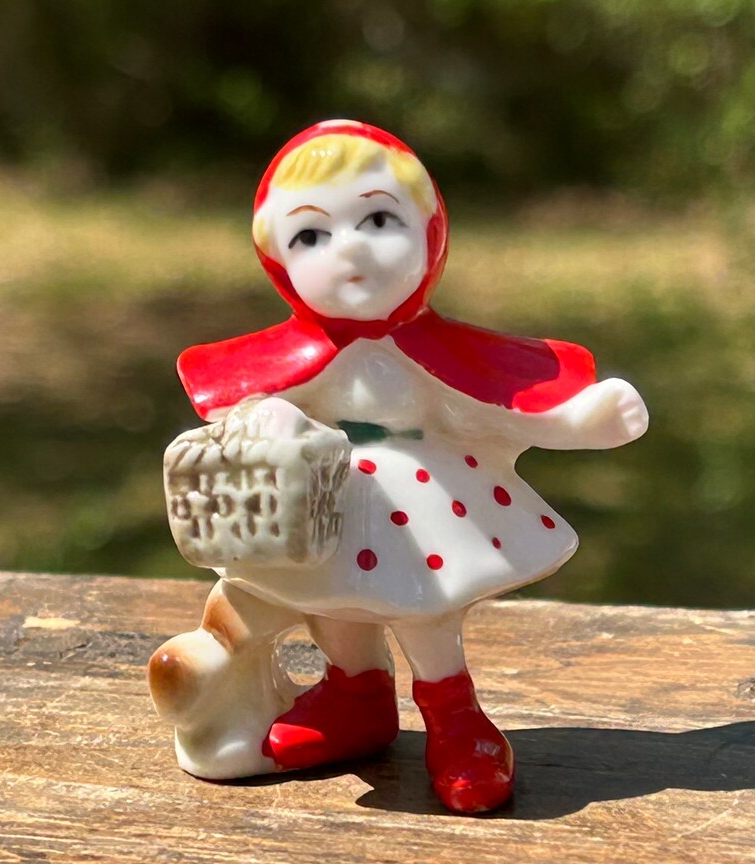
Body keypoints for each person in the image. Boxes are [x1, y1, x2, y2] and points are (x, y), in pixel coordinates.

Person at [149, 119, 648, 813]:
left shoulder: (434, 351)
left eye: (379, 218)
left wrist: (580, 422)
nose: (349, 249)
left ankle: (457, 719)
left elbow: (497, 401)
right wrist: (268, 418)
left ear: (430, 232)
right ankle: (356, 696)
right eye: (312, 235)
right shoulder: (297, 360)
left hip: (422, 499)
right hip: (325, 495)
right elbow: (250, 410)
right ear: (278, 261)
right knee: (330, 602)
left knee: (424, 611)